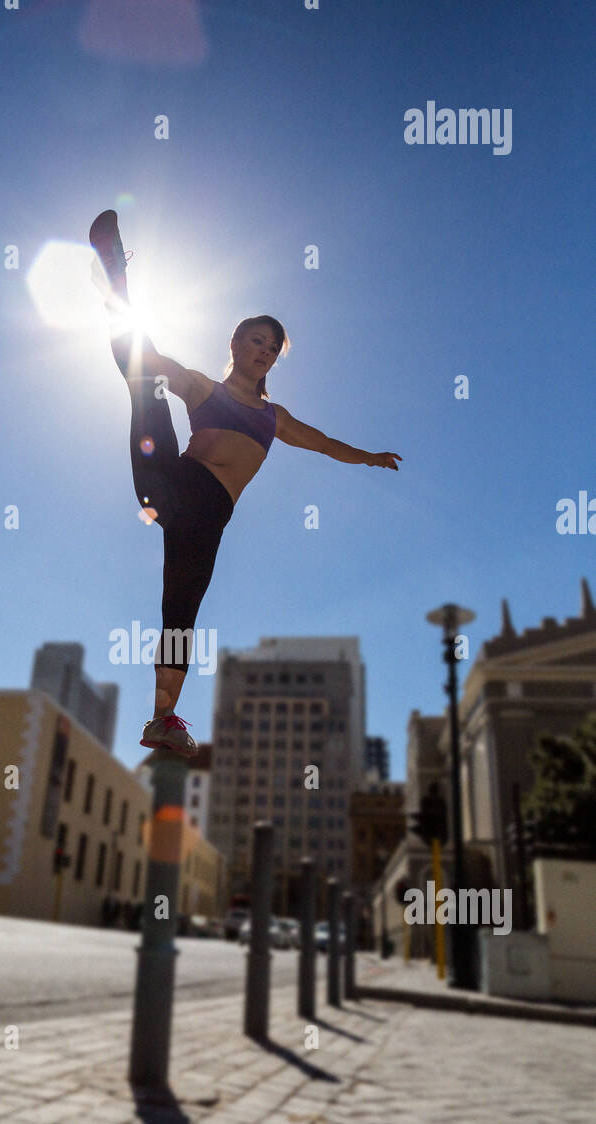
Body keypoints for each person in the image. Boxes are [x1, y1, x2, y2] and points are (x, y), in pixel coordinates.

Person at [89, 210, 401, 758]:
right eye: (255, 339)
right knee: (144, 377)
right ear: (235, 343)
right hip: (169, 482)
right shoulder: (203, 388)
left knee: (180, 611)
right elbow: (145, 356)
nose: (262, 349)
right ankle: (115, 271)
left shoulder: (273, 417)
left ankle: (162, 719)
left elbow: (326, 443)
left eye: (271, 346)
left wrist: (369, 457)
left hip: (207, 518)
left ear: (273, 359)